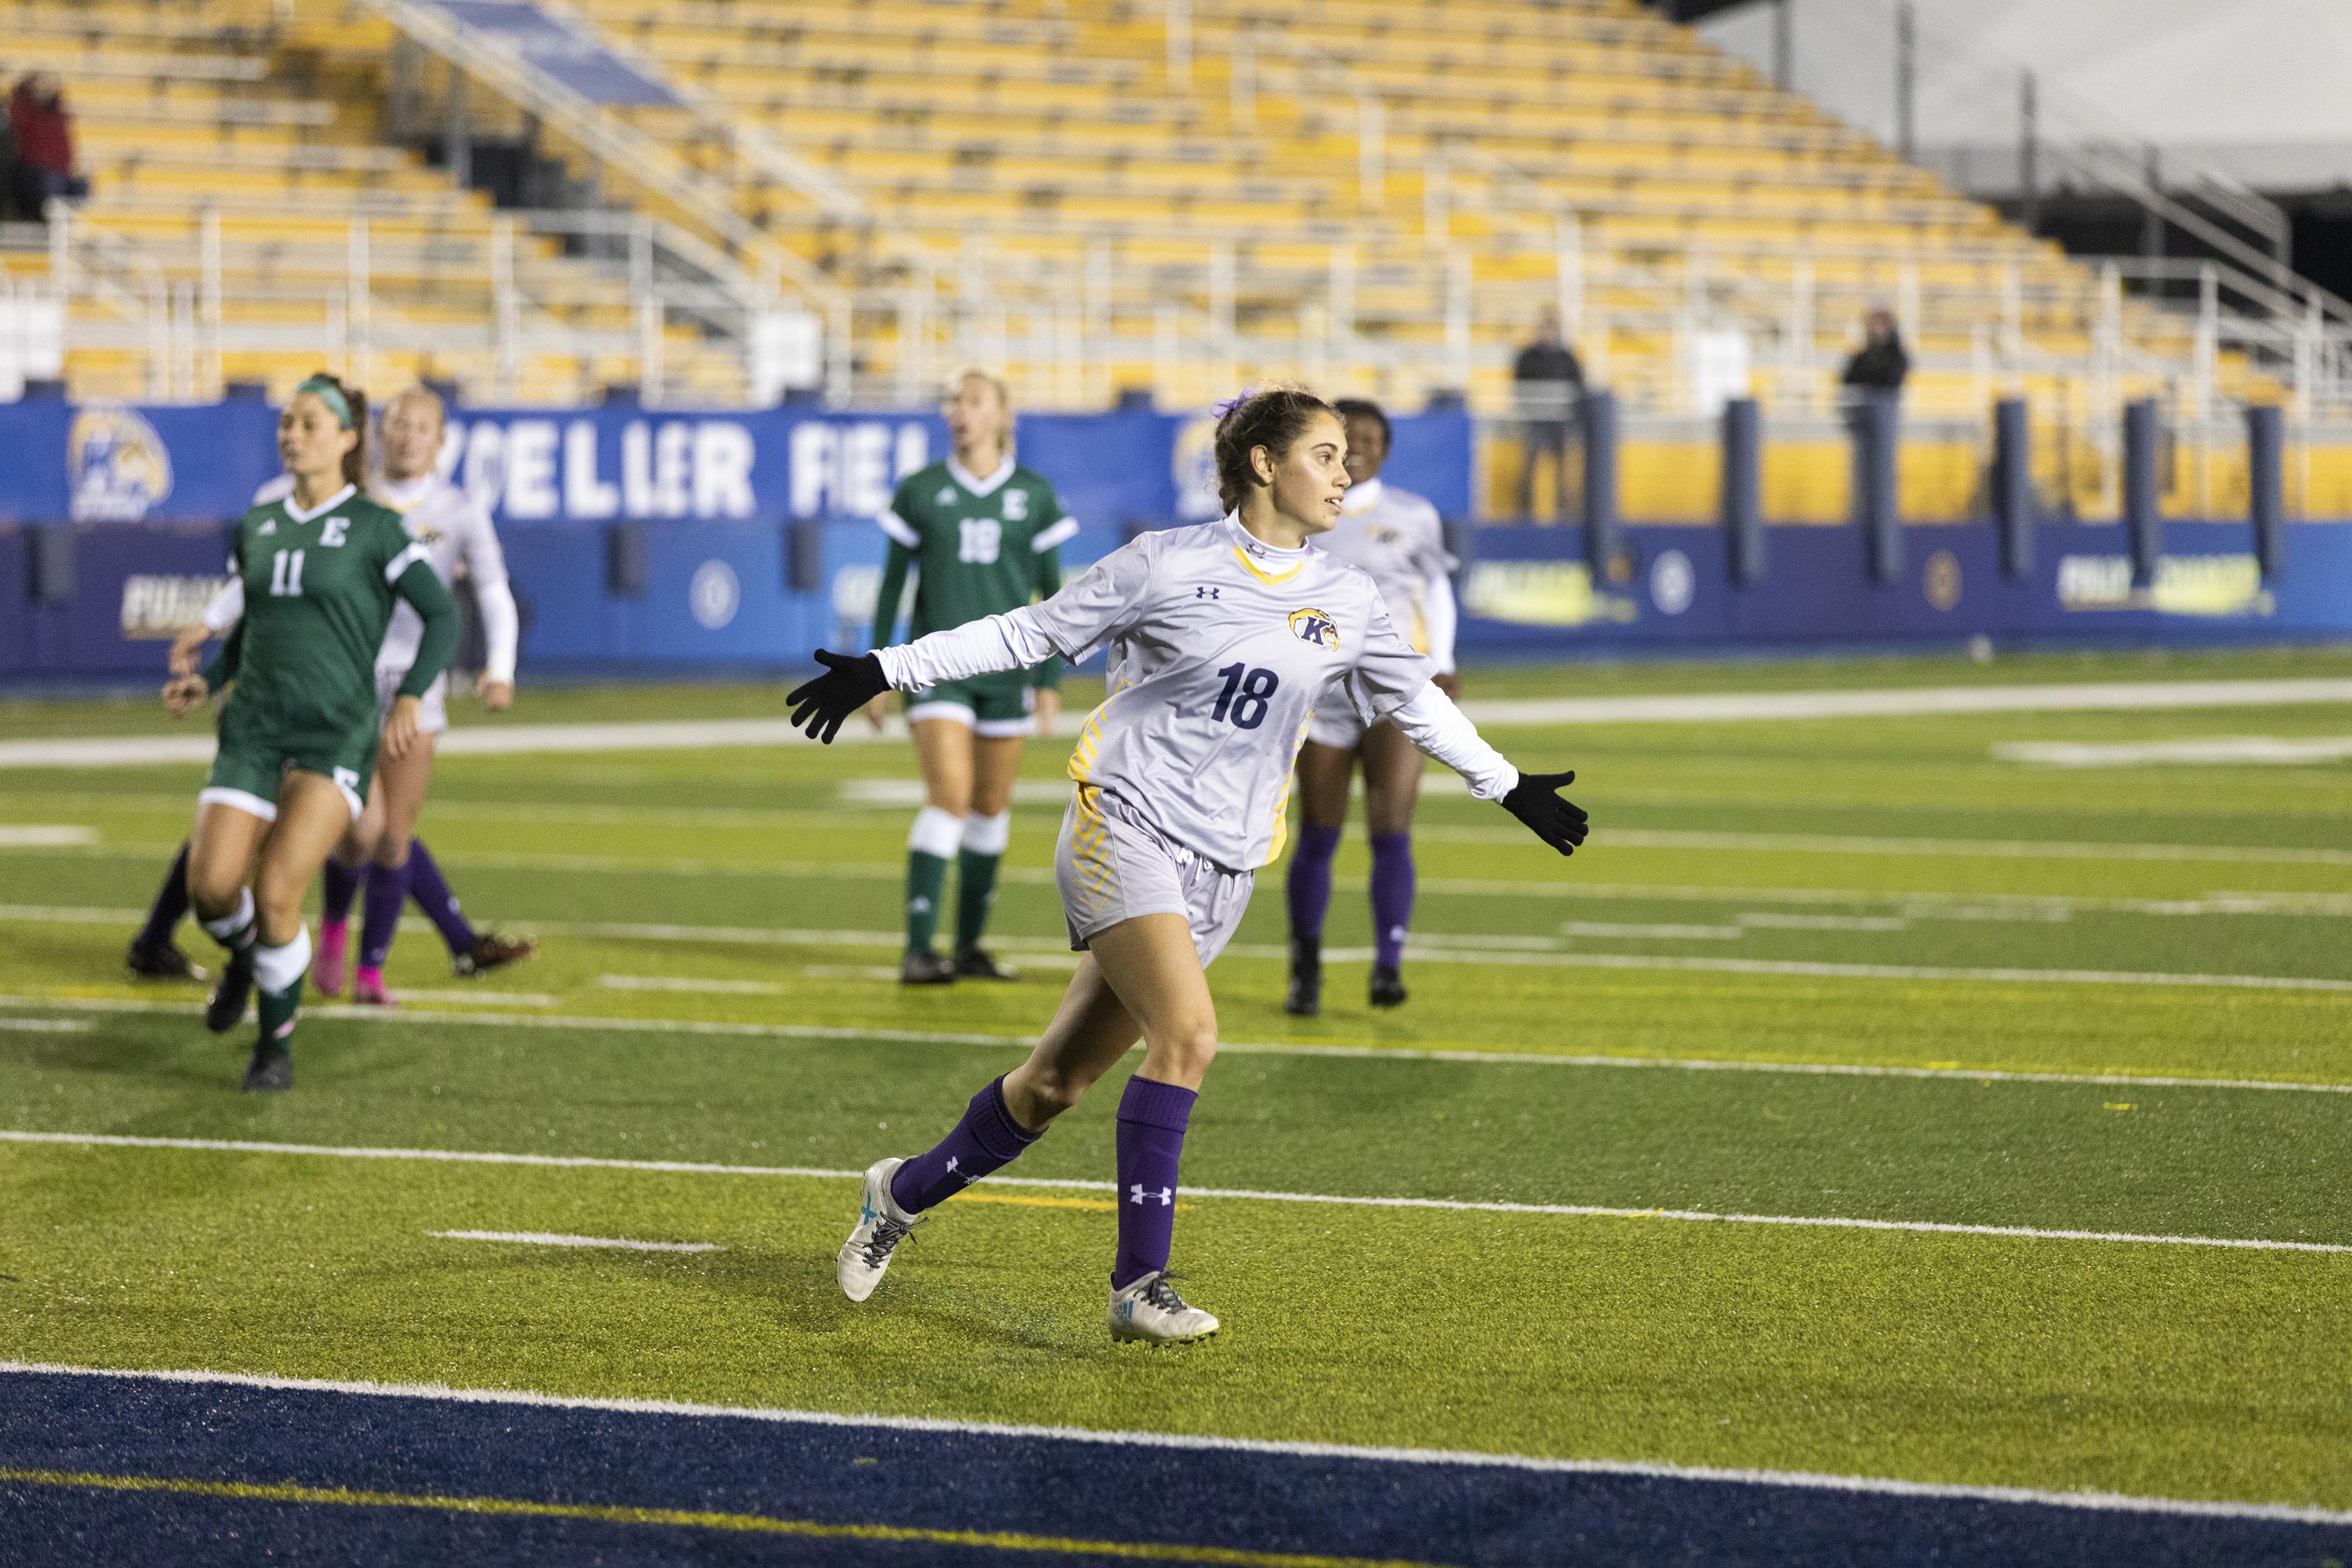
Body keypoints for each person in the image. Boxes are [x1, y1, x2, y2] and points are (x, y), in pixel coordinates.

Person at [787, 387, 1588, 1342]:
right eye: (1327, 455)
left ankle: (899, 1192)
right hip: (1119, 822)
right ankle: (1138, 1284)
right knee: (1192, 1034)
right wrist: (887, 666)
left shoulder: (1346, 593)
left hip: (1226, 865)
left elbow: (1414, 702)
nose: (1345, 473)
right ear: (1263, 463)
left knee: (1051, 1086)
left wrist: (1508, 785)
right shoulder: (1165, 563)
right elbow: (1029, 630)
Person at [127, 389, 535, 993]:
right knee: (248, 819)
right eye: (398, 423)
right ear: (373, 433)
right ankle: (231, 941)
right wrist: (215, 643)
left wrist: (496, 667)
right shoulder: (336, 499)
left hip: (402, 684)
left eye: (422, 427)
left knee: (383, 831)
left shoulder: (447, 509)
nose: (407, 436)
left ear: (441, 439)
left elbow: (473, 600)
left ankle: (363, 966)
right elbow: (262, 590)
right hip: (328, 680)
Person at [159, 373, 459, 1092]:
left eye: (308, 424)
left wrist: (413, 695)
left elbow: (442, 617)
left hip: (334, 736)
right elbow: (257, 620)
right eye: (286, 423)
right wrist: (211, 675)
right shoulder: (257, 522)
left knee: (279, 892)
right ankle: (245, 957)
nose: (291, 434)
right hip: (253, 730)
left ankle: (274, 1045)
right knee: (210, 891)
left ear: (348, 439)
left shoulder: (379, 525)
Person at [862, 369, 1076, 985]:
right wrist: (878, 668)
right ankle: (918, 949)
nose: (960, 411)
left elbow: (1051, 596)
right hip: (938, 667)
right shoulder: (921, 489)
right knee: (950, 796)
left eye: (974, 401)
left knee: (990, 807)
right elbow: (892, 584)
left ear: (1001, 414)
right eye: (953, 400)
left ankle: (969, 947)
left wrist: (1049, 678)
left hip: (1008, 668)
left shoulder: (1033, 493)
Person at [1283, 398, 1458, 1015]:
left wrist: (1447, 661)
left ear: (1386, 447)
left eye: (1370, 436)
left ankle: (1388, 965)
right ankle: (1305, 969)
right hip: (1324, 694)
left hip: (1395, 691)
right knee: (1318, 835)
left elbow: (1436, 589)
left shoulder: (1412, 514)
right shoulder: (1304, 512)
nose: (1359, 445)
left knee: (1392, 831)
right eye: (1345, 436)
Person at [1512, 307, 1582, 523]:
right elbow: (1519, 384)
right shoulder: (1528, 356)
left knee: (1563, 473)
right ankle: (1524, 516)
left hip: (1560, 422)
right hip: (1535, 421)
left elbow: (1578, 387)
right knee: (1529, 469)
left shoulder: (1567, 358)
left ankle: (1565, 517)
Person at [9, 73, 89, 207]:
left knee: (80, 185)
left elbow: (66, 149)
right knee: (50, 183)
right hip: (32, 172)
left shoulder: (58, 116)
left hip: (58, 172)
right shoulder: (22, 110)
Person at [1842, 308, 1909, 397]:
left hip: (1885, 402)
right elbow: (1849, 380)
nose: (1879, 327)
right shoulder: (1859, 356)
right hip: (1861, 403)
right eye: (1875, 322)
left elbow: (1890, 379)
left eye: (1883, 322)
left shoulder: (1897, 356)